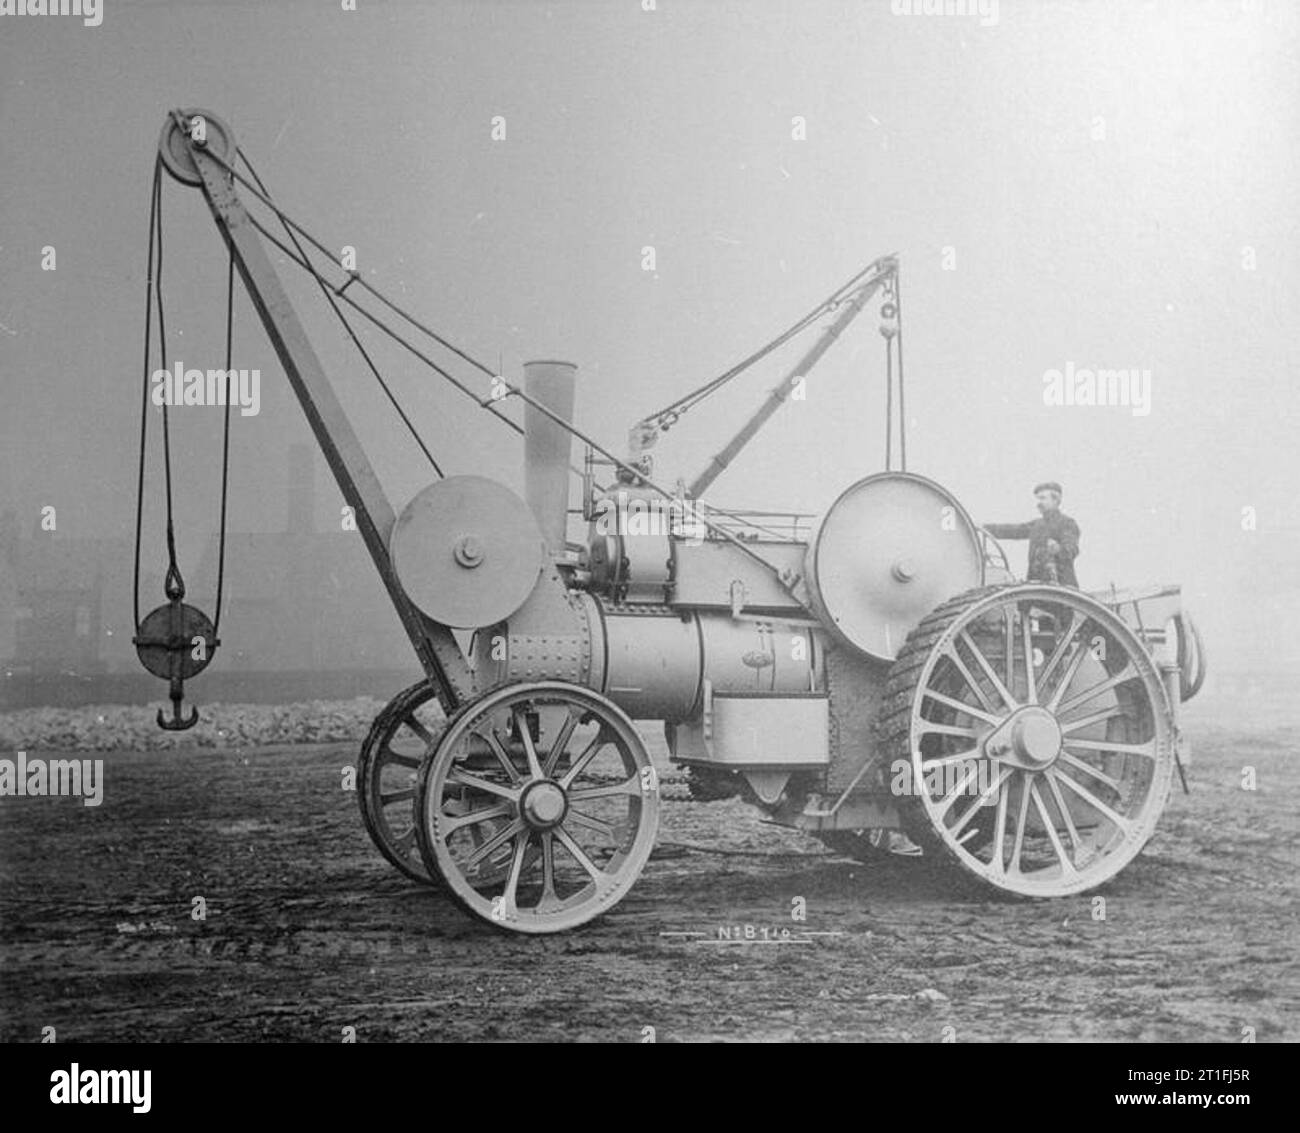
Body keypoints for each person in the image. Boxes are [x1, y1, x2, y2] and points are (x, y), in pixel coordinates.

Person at [985, 481, 1080, 587]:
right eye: (1038, 499)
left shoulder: (1067, 523)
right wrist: (984, 528)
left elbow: (1071, 550)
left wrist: (1058, 549)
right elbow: (1013, 530)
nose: (1038, 503)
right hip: (1036, 587)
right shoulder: (1037, 525)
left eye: (1042, 498)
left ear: (1056, 500)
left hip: (1061, 589)